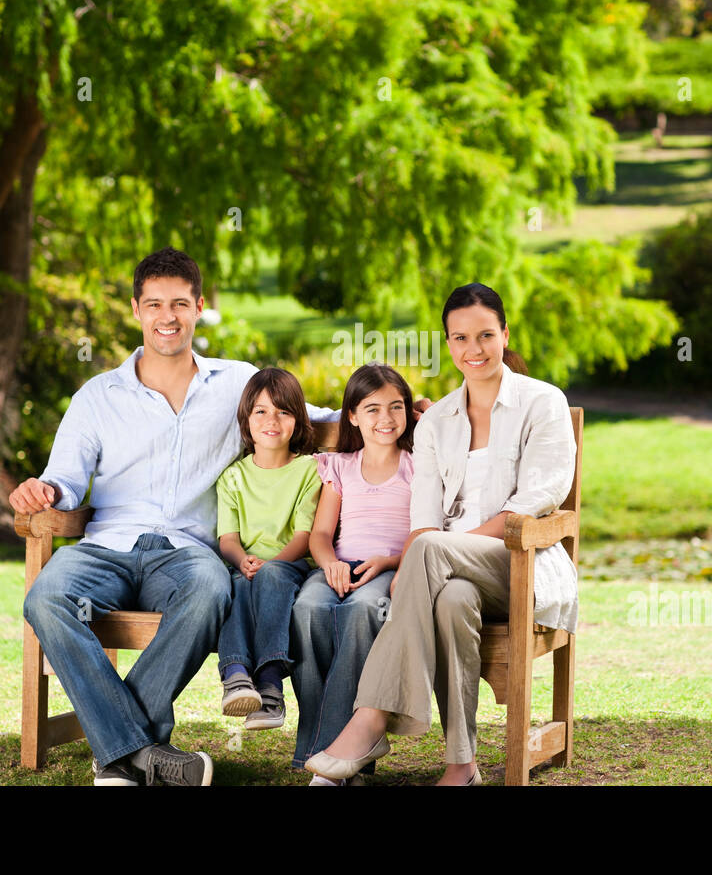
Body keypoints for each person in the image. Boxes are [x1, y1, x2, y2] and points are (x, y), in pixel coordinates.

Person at [11, 248, 339, 786]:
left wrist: (390, 410)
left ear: (199, 307)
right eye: (156, 304)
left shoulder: (236, 383)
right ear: (137, 310)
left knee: (213, 592)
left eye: (181, 304)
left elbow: (311, 417)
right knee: (45, 598)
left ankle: (117, 753)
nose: (168, 315)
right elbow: (64, 482)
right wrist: (41, 490)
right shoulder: (98, 397)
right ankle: (141, 751)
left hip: (188, 556)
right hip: (106, 549)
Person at [304, 283, 578, 786]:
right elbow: (424, 517)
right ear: (448, 343)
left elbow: (534, 503)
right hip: (448, 575)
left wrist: (452, 545)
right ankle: (461, 766)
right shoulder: (436, 423)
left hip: (520, 563)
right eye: (460, 338)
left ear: (504, 334)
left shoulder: (543, 403)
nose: (474, 350)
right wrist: (442, 548)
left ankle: (370, 719)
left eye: (485, 336)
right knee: (451, 598)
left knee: (431, 550)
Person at [290, 364, 416, 786]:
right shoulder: (340, 466)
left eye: (397, 407)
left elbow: (426, 534)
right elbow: (321, 534)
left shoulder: (417, 467)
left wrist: (390, 561)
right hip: (340, 564)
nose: (386, 418)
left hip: (389, 568)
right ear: (353, 416)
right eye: (373, 408)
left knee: (363, 609)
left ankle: (331, 756)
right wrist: (329, 563)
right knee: (307, 608)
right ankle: (336, 756)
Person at [216, 368, 323, 732]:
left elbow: (304, 536)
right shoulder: (233, 477)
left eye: (283, 411)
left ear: (298, 418)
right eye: (260, 411)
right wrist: (241, 559)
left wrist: (270, 563)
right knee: (232, 585)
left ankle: (271, 687)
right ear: (246, 418)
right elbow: (227, 539)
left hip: (289, 566)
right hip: (246, 567)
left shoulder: (308, 471)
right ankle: (235, 676)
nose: (271, 420)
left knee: (271, 576)